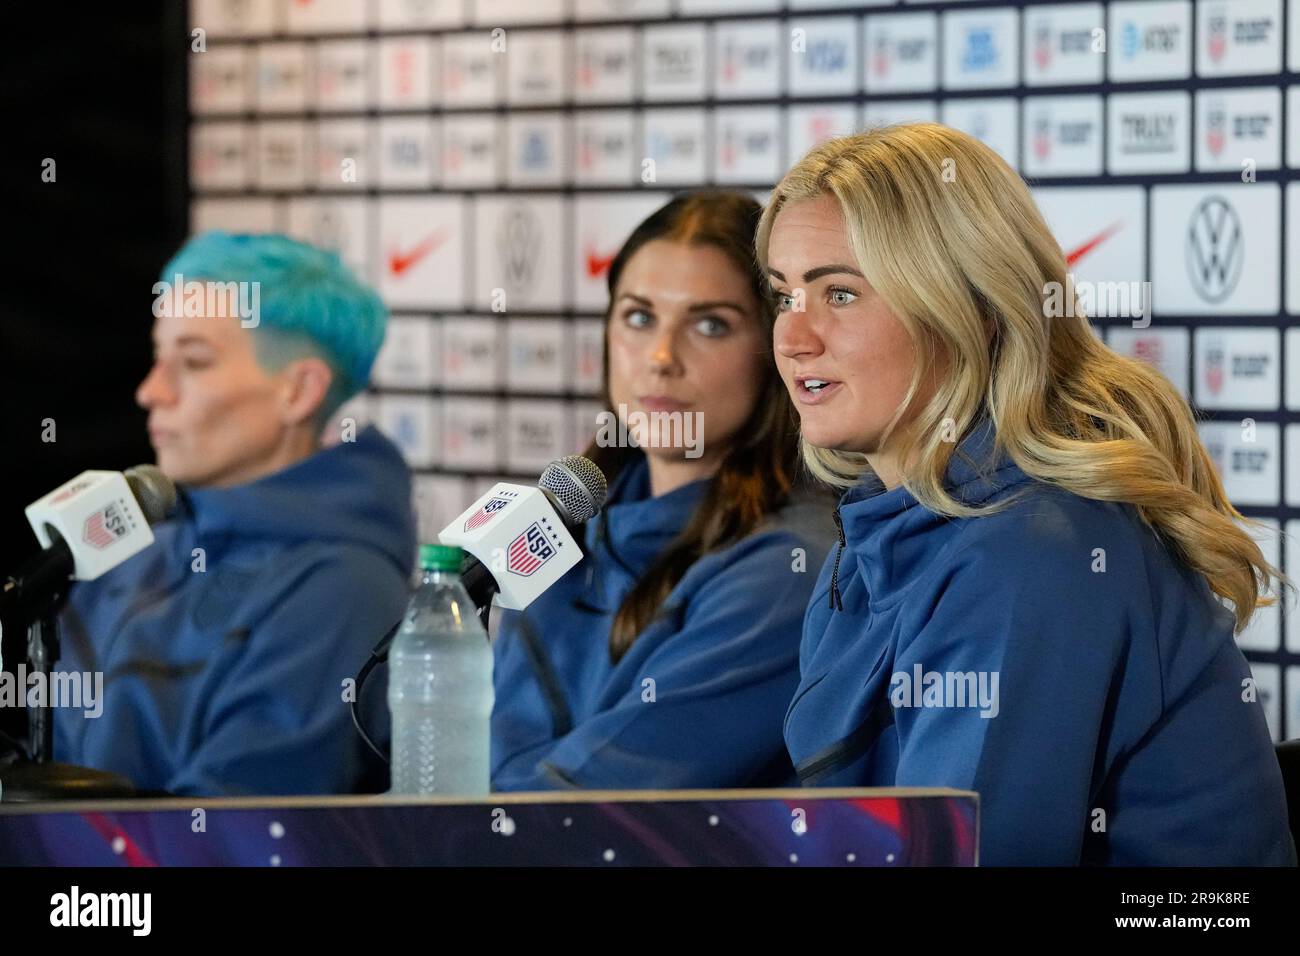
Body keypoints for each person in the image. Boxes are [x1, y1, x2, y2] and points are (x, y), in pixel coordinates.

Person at [758, 122, 1297, 865]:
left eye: (840, 293)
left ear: (972, 307)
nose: (793, 338)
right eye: (785, 297)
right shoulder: (878, 537)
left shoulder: (1031, 552)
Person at [52, 232, 416, 796]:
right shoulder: (137, 543)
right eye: (158, 357)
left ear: (298, 391)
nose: (151, 391)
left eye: (193, 362)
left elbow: (223, 837)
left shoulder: (343, 593)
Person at [491, 192, 833, 790]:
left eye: (710, 325)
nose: (660, 357)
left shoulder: (790, 566)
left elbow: (580, 806)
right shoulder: (561, 521)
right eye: (639, 316)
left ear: (772, 348)